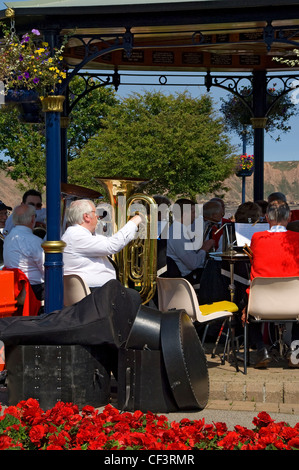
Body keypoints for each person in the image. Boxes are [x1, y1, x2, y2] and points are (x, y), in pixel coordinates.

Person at [245, 199, 299, 368]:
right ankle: (295, 349)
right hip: (294, 305)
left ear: (267, 217)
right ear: (289, 217)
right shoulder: (297, 239)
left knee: (244, 301)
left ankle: (261, 349)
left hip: (261, 306)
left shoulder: (256, 237)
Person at [61, 199, 142, 289]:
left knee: (133, 296)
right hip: (94, 294)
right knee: (135, 297)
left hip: (99, 291)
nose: (97, 216)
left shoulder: (79, 234)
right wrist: (134, 221)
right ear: (86, 216)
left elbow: (108, 242)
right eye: (95, 212)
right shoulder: (76, 236)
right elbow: (112, 245)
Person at [166, 198, 214, 287]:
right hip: (185, 279)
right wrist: (204, 248)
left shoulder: (179, 230)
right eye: (193, 213)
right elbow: (193, 264)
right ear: (185, 214)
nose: (195, 216)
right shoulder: (178, 234)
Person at [3, 204, 45, 301]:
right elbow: (46, 268)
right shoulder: (34, 241)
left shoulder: (8, 238)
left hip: (16, 287)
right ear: (32, 219)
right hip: (34, 290)